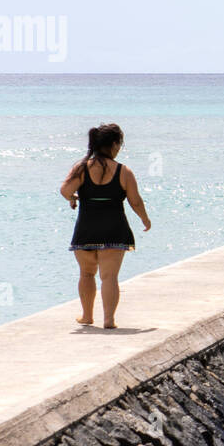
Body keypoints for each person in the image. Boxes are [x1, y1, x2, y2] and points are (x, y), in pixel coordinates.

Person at [60, 123, 151, 328]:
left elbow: (65, 190)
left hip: (86, 229)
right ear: (113, 144)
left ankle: (87, 316)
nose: (119, 148)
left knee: (86, 274)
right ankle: (109, 320)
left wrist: (73, 198)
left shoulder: (81, 168)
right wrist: (145, 219)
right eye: (119, 144)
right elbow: (135, 201)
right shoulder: (123, 171)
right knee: (109, 277)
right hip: (114, 229)